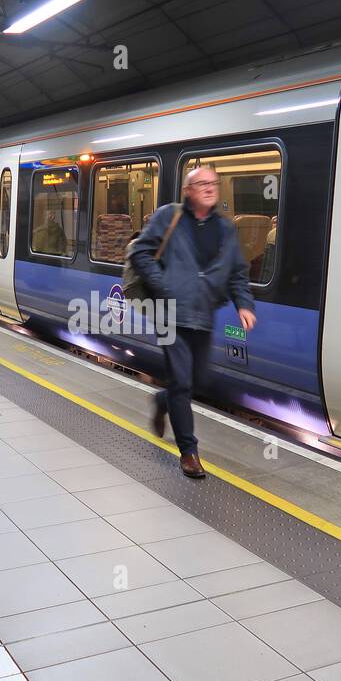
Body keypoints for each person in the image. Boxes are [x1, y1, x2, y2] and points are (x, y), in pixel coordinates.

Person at [129, 167, 257, 479]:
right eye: (202, 184)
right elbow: (141, 253)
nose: (210, 189)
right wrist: (163, 285)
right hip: (171, 313)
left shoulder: (225, 230)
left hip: (203, 314)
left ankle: (162, 400)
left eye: (214, 184)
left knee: (198, 381)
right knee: (183, 383)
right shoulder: (168, 217)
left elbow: (237, 272)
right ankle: (189, 452)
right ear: (188, 190)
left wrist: (244, 304)